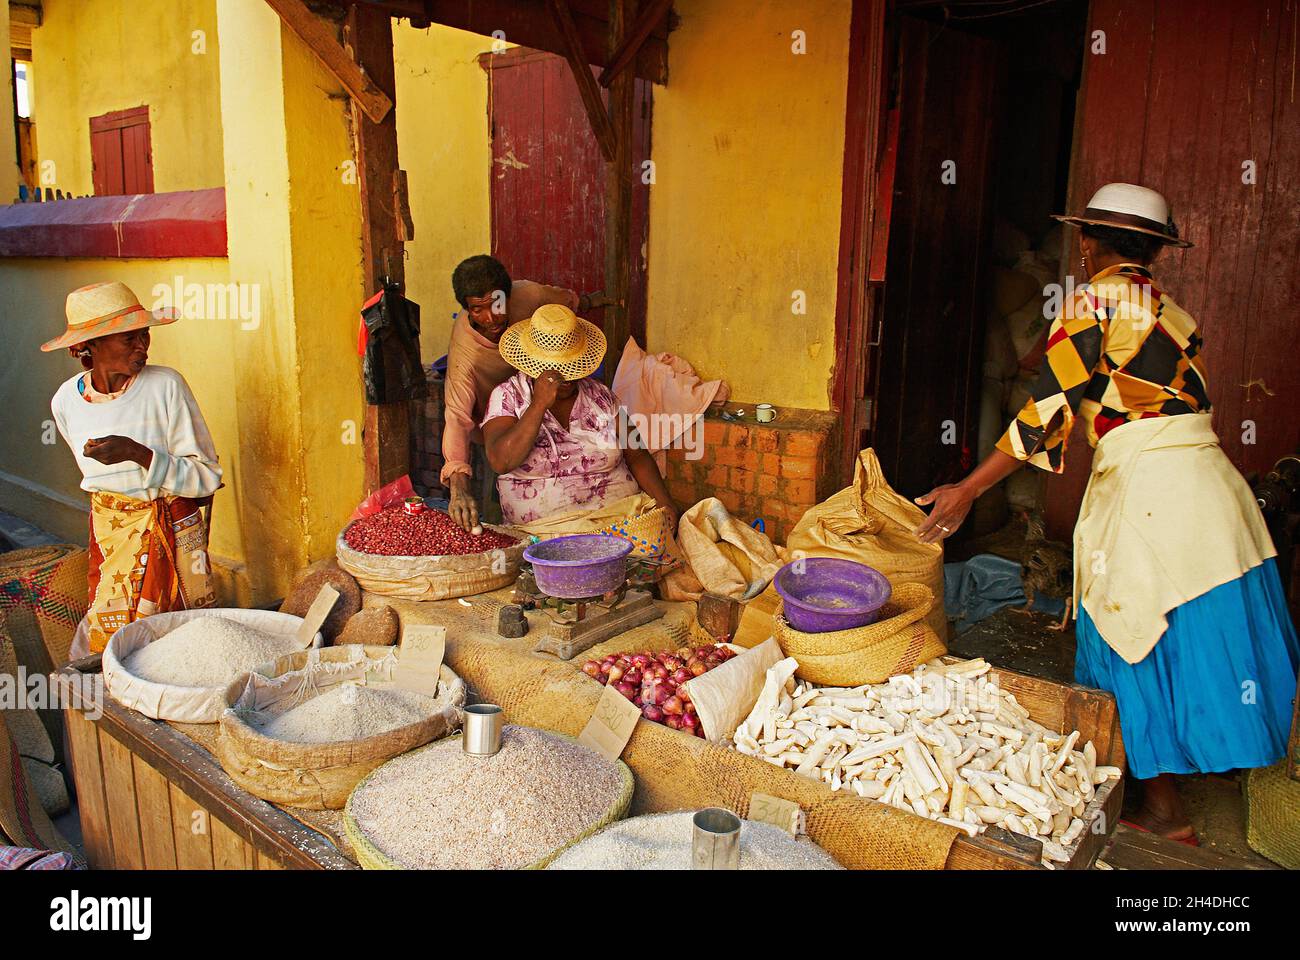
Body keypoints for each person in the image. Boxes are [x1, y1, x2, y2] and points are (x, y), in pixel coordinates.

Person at [914, 183, 1299, 844]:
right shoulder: (1173, 314)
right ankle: (1179, 787)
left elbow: (1042, 416)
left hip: (1153, 496)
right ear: (1154, 249)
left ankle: (1164, 812)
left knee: (1128, 630)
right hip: (1211, 495)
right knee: (1182, 629)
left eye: (1083, 240)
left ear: (1089, 244)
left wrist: (969, 489)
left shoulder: (1094, 301)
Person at [43, 281, 222, 657]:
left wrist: (140, 454)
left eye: (145, 335)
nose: (142, 346)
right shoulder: (65, 402)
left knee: (182, 646)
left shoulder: (166, 386)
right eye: (129, 339)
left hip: (172, 532)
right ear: (89, 346)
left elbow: (206, 478)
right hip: (112, 539)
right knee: (111, 642)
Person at [441, 255, 610, 531]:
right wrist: (458, 484)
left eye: (496, 305)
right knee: (501, 478)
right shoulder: (466, 354)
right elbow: (457, 417)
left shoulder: (529, 295)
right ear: (466, 309)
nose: (490, 318)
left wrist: (588, 302)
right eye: (477, 310)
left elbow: (562, 304)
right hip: (496, 424)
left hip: (549, 402)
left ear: (508, 296)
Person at [481, 303, 676, 528]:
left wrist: (666, 504)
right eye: (557, 367)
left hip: (619, 519)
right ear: (535, 364)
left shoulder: (600, 395)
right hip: (544, 530)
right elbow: (501, 461)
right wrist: (538, 404)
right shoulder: (508, 396)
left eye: (572, 366)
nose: (567, 376)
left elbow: (637, 454)